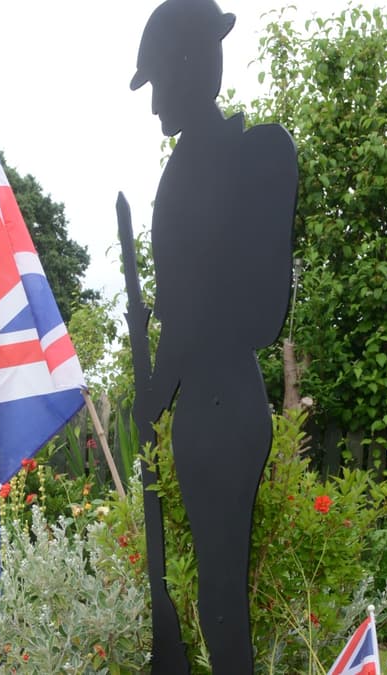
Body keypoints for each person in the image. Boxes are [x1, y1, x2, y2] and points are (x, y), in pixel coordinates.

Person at [129, 0, 297, 672]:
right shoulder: (191, 166)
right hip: (215, 400)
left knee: (221, 588)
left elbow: (200, 311)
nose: (153, 105)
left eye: (159, 82)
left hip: (220, 402)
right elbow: (184, 305)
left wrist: (154, 391)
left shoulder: (222, 164)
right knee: (214, 583)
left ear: (192, 69)